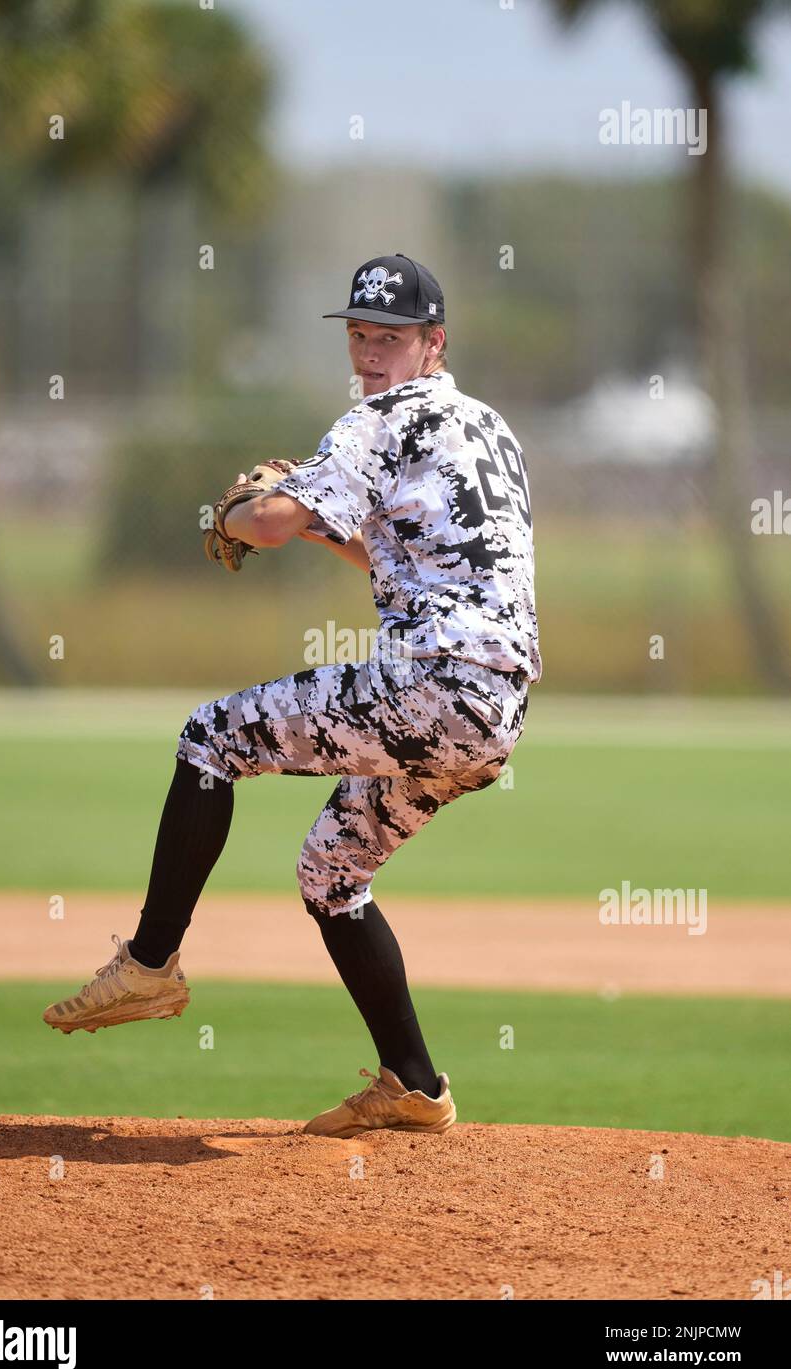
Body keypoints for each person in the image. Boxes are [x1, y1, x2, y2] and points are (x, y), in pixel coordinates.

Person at [44, 252, 541, 1139]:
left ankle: (149, 963)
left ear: (434, 343)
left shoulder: (382, 418)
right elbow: (400, 556)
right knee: (332, 869)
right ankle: (414, 1085)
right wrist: (308, 517)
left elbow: (263, 524)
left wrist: (234, 510)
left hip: (431, 685)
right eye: (359, 334)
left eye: (390, 337)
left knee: (211, 736)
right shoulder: (485, 427)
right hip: (492, 709)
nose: (371, 351)